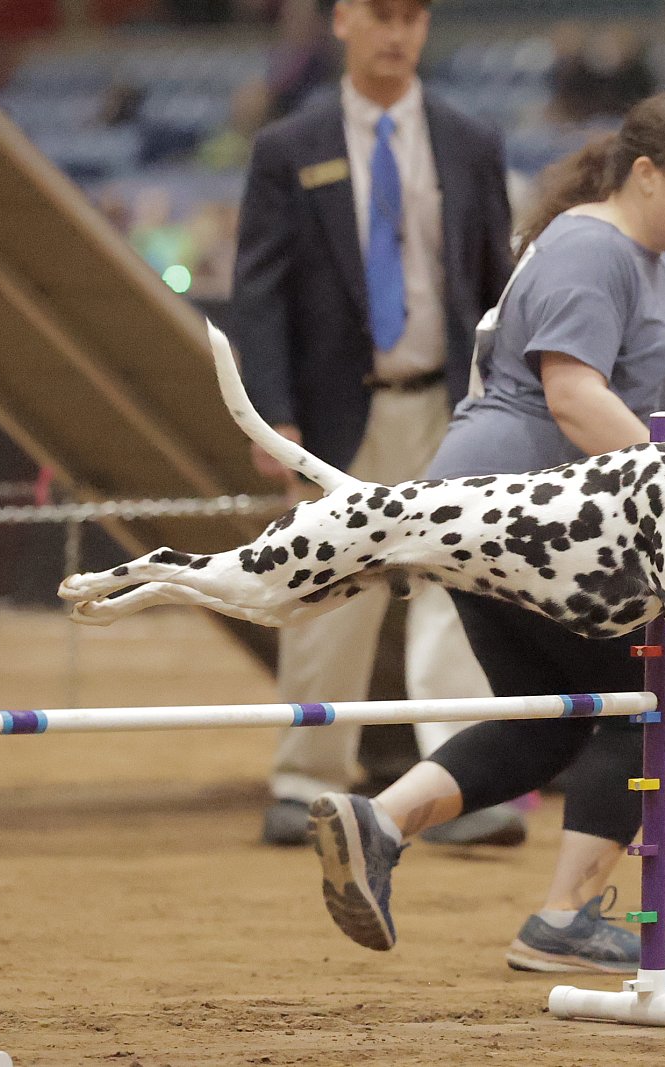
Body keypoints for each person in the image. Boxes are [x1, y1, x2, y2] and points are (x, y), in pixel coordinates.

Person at [307, 91, 665, 973]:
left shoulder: (643, 260)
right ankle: (564, 916)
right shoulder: (593, 248)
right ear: (646, 173)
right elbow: (573, 394)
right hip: (525, 515)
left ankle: (379, 823)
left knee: (549, 719)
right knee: (651, 691)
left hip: (505, 513)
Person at [230, 0, 520, 849]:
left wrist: (508, 402)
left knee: (460, 591)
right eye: (380, 14)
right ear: (343, 20)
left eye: (412, 16)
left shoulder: (471, 141)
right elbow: (258, 293)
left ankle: (457, 784)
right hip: (334, 412)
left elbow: (497, 284)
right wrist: (272, 415)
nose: (397, 33)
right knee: (326, 589)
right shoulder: (289, 147)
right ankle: (306, 781)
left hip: (451, 408)